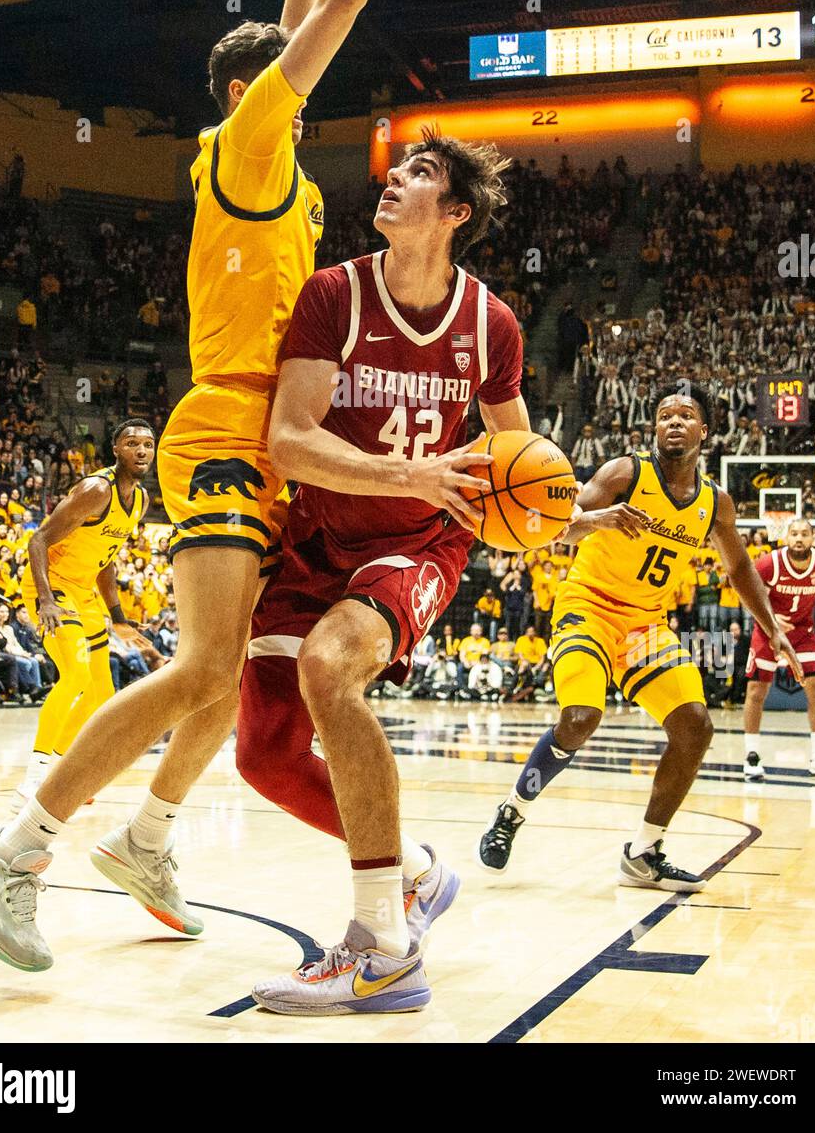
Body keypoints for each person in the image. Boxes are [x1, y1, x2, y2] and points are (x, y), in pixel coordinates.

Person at [0, 0, 429, 975]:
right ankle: (18, 846)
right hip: (223, 423)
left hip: (263, 439)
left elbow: (297, 26)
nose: (302, 86)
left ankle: (149, 836)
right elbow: (341, 12)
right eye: (278, 74)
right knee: (204, 667)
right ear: (244, 90)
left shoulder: (259, 160)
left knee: (224, 687)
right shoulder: (253, 136)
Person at [236, 127, 526, 1015]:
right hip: (317, 536)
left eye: (421, 174)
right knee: (266, 757)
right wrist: (412, 471)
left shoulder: (492, 324)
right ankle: (417, 872)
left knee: (331, 667)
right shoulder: (336, 294)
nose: (395, 179)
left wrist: (559, 514)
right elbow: (289, 440)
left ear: (455, 214)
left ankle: (381, 948)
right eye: (398, 169)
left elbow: (517, 457)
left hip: (418, 542)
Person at [478, 382, 802, 891]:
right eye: (665, 415)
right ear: (654, 428)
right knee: (581, 717)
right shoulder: (625, 473)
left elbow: (739, 566)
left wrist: (772, 627)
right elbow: (558, 527)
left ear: (705, 431)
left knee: (695, 725)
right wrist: (598, 518)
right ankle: (513, 811)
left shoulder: (714, 504)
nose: (674, 421)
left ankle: (644, 852)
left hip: (645, 625)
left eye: (685, 415)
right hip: (587, 608)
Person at [4, 422, 154, 800]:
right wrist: (46, 599)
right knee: (75, 674)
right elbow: (38, 539)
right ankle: (35, 776)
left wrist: (117, 615)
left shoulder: (141, 501)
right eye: (131, 443)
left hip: (84, 593)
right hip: (51, 584)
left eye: (148, 444)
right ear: (116, 449)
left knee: (102, 690)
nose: (141, 450)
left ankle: (60, 768)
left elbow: (105, 561)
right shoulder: (95, 490)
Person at [742, 517, 815, 781]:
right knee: (757, 690)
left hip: (802, 631)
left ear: (814, 538)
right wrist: (771, 620)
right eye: (794, 534)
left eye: (805, 534)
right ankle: (751, 756)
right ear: (786, 537)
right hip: (768, 631)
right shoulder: (769, 563)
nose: (799, 538)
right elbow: (749, 593)